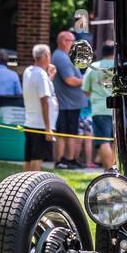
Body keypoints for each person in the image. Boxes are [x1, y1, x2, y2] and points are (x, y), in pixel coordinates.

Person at [50, 30, 86, 169]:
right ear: (63, 41)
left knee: (71, 133)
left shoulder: (65, 56)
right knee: (63, 134)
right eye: (72, 41)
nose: (74, 44)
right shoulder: (61, 57)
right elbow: (70, 80)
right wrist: (85, 81)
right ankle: (61, 161)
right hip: (66, 104)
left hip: (71, 103)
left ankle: (70, 159)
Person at [22, 44, 57, 172]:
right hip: (41, 125)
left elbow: (39, 88)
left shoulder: (29, 71)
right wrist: (48, 128)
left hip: (31, 122)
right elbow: (44, 101)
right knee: (36, 158)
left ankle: (23, 186)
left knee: (28, 158)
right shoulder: (41, 75)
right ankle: (31, 188)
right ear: (47, 56)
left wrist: (49, 77)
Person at [82, 42, 116, 169]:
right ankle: (114, 169)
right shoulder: (119, 67)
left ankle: (108, 170)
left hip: (100, 109)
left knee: (102, 141)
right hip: (118, 108)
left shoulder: (93, 67)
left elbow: (86, 89)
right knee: (114, 142)